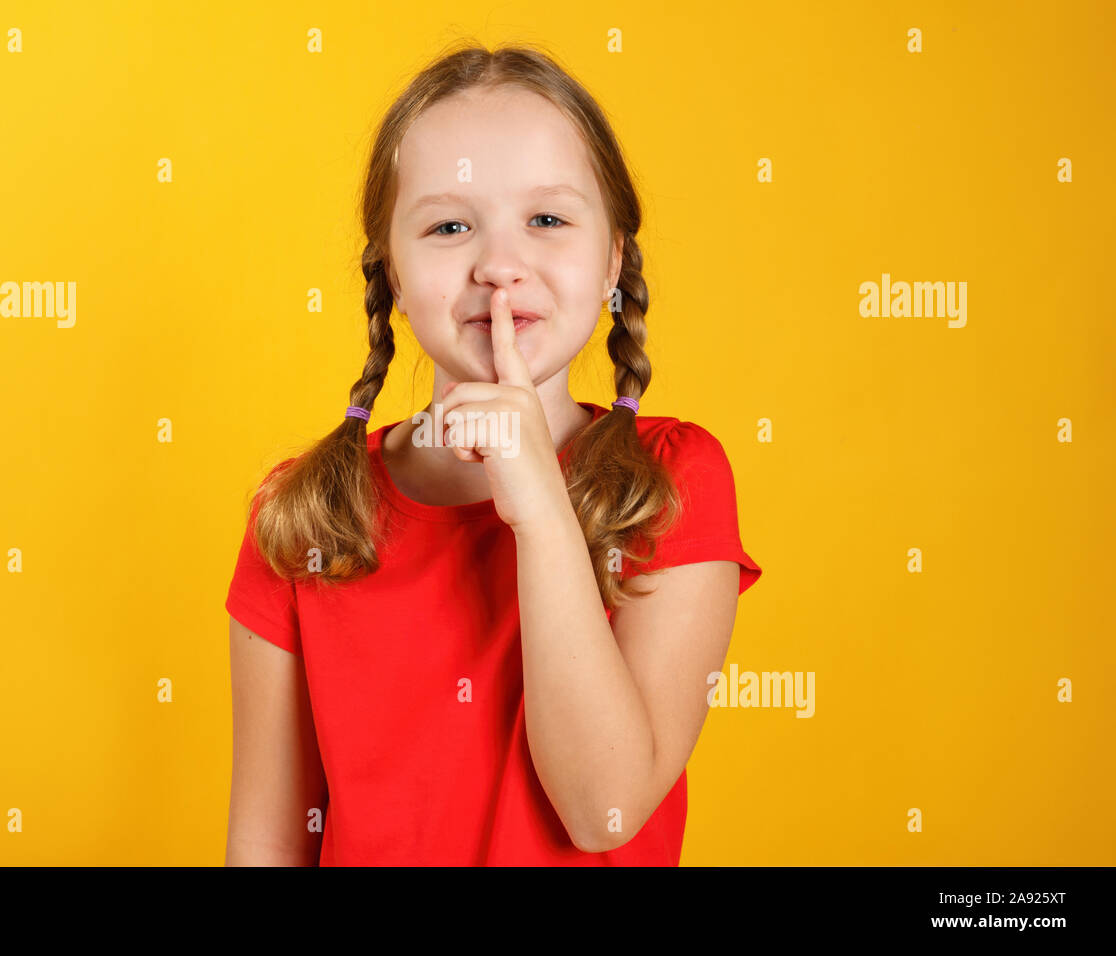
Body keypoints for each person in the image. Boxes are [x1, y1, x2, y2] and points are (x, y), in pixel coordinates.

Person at [224, 43, 762, 866]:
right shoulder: (302, 516)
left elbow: (602, 811)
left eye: (547, 219)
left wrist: (542, 513)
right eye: (448, 226)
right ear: (393, 275)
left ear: (614, 256)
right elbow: (267, 842)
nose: (500, 267)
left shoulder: (672, 483)